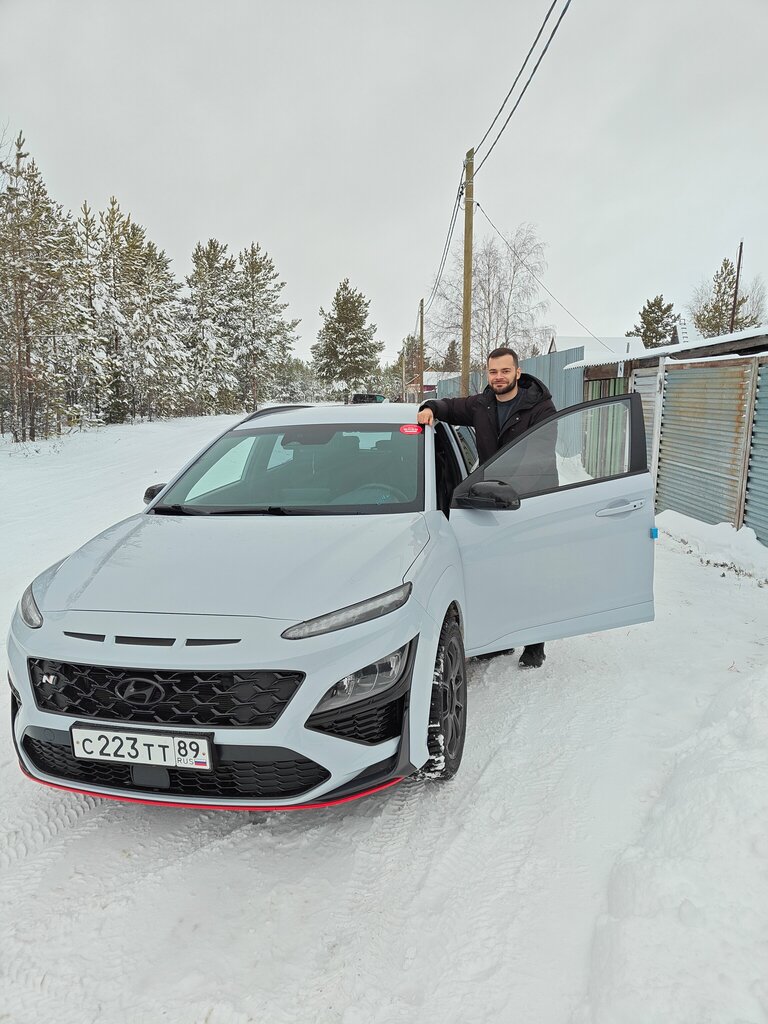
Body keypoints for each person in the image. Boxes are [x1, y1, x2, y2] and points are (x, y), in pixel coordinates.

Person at [417, 346, 556, 669]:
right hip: (493, 501)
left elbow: (538, 455)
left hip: (530, 499)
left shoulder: (541, 408)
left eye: (505, 371)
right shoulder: (483, 404)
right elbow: (451, 407)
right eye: (493, 372)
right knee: (498, 572)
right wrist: (430, 407)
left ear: (517, 373)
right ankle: (500, 639)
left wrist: (500, 487)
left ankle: (535, 642)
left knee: (530, 573)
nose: (499, 377)